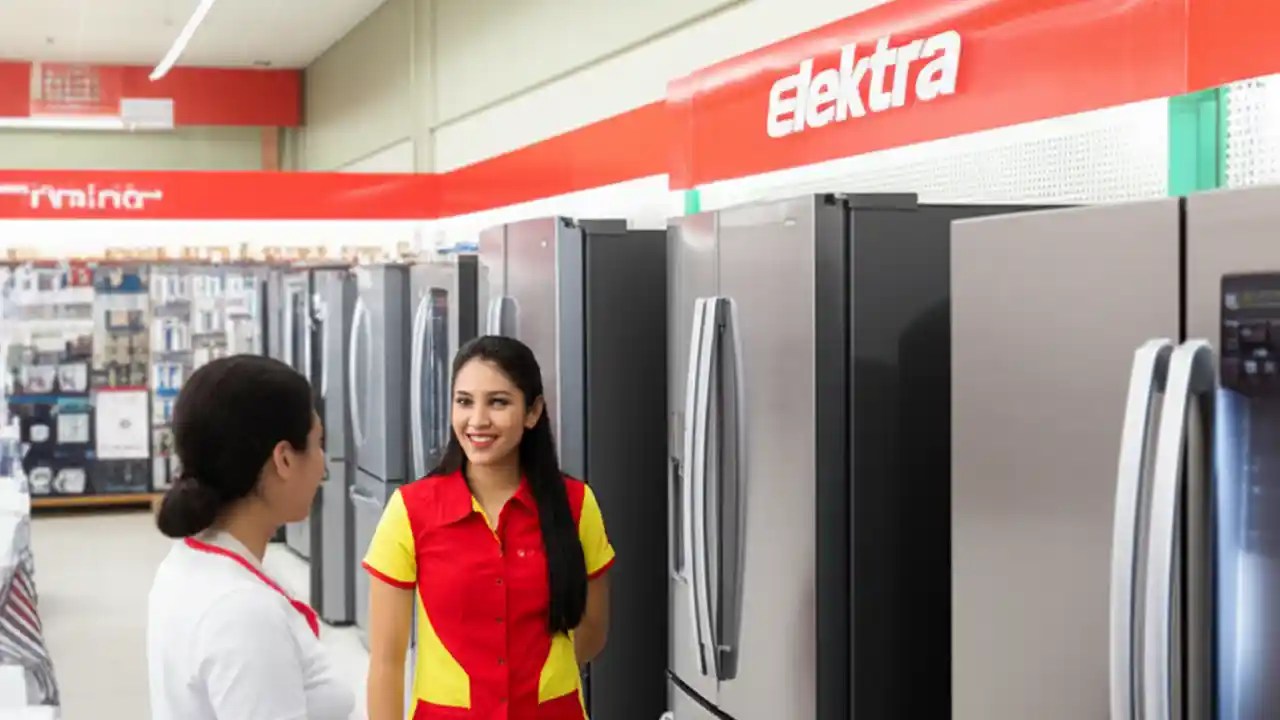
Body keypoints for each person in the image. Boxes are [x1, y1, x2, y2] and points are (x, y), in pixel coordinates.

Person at [364, 336, 615, 720]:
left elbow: (593, 630)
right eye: (464, 401)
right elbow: (386, 662)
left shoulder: (578, 505)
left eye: (498, 402)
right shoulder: (410, 511)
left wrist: (537, 680)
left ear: (533, 412)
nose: (477, 420)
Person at [146, 354, 355, 720]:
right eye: (318, 442)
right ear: (284, 459)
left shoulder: (188, 563)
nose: (323, 464)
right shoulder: (243, 613)